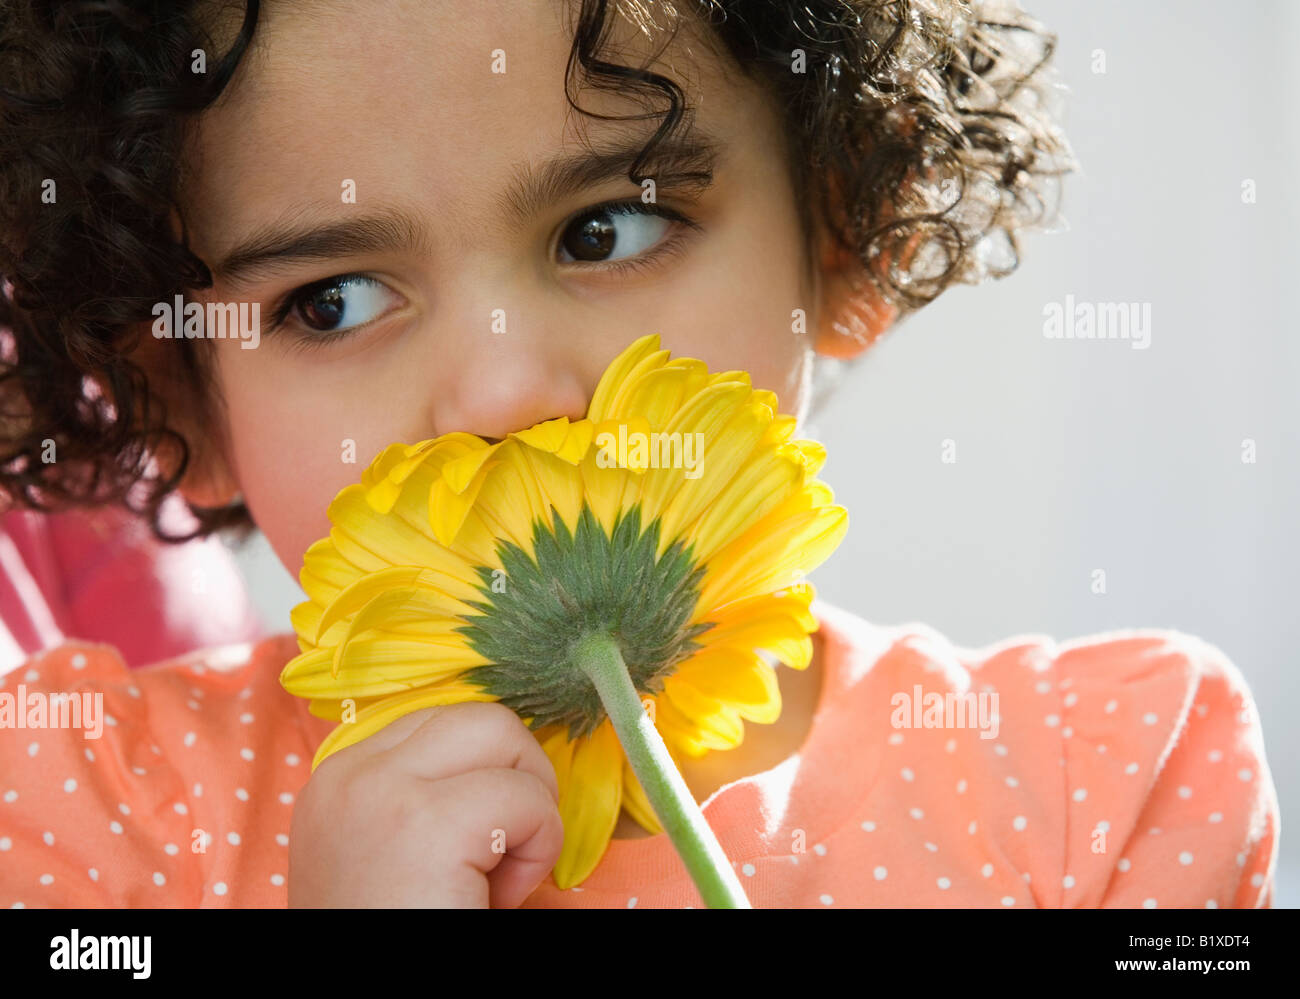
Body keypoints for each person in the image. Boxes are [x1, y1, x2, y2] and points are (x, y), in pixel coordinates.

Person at [0, 0, 1278, 908]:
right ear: (187, 398)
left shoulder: (1106, 780)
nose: (505, 391)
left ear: (845, 229)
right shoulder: (80, 819)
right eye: (330, 300)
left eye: (607, 229)